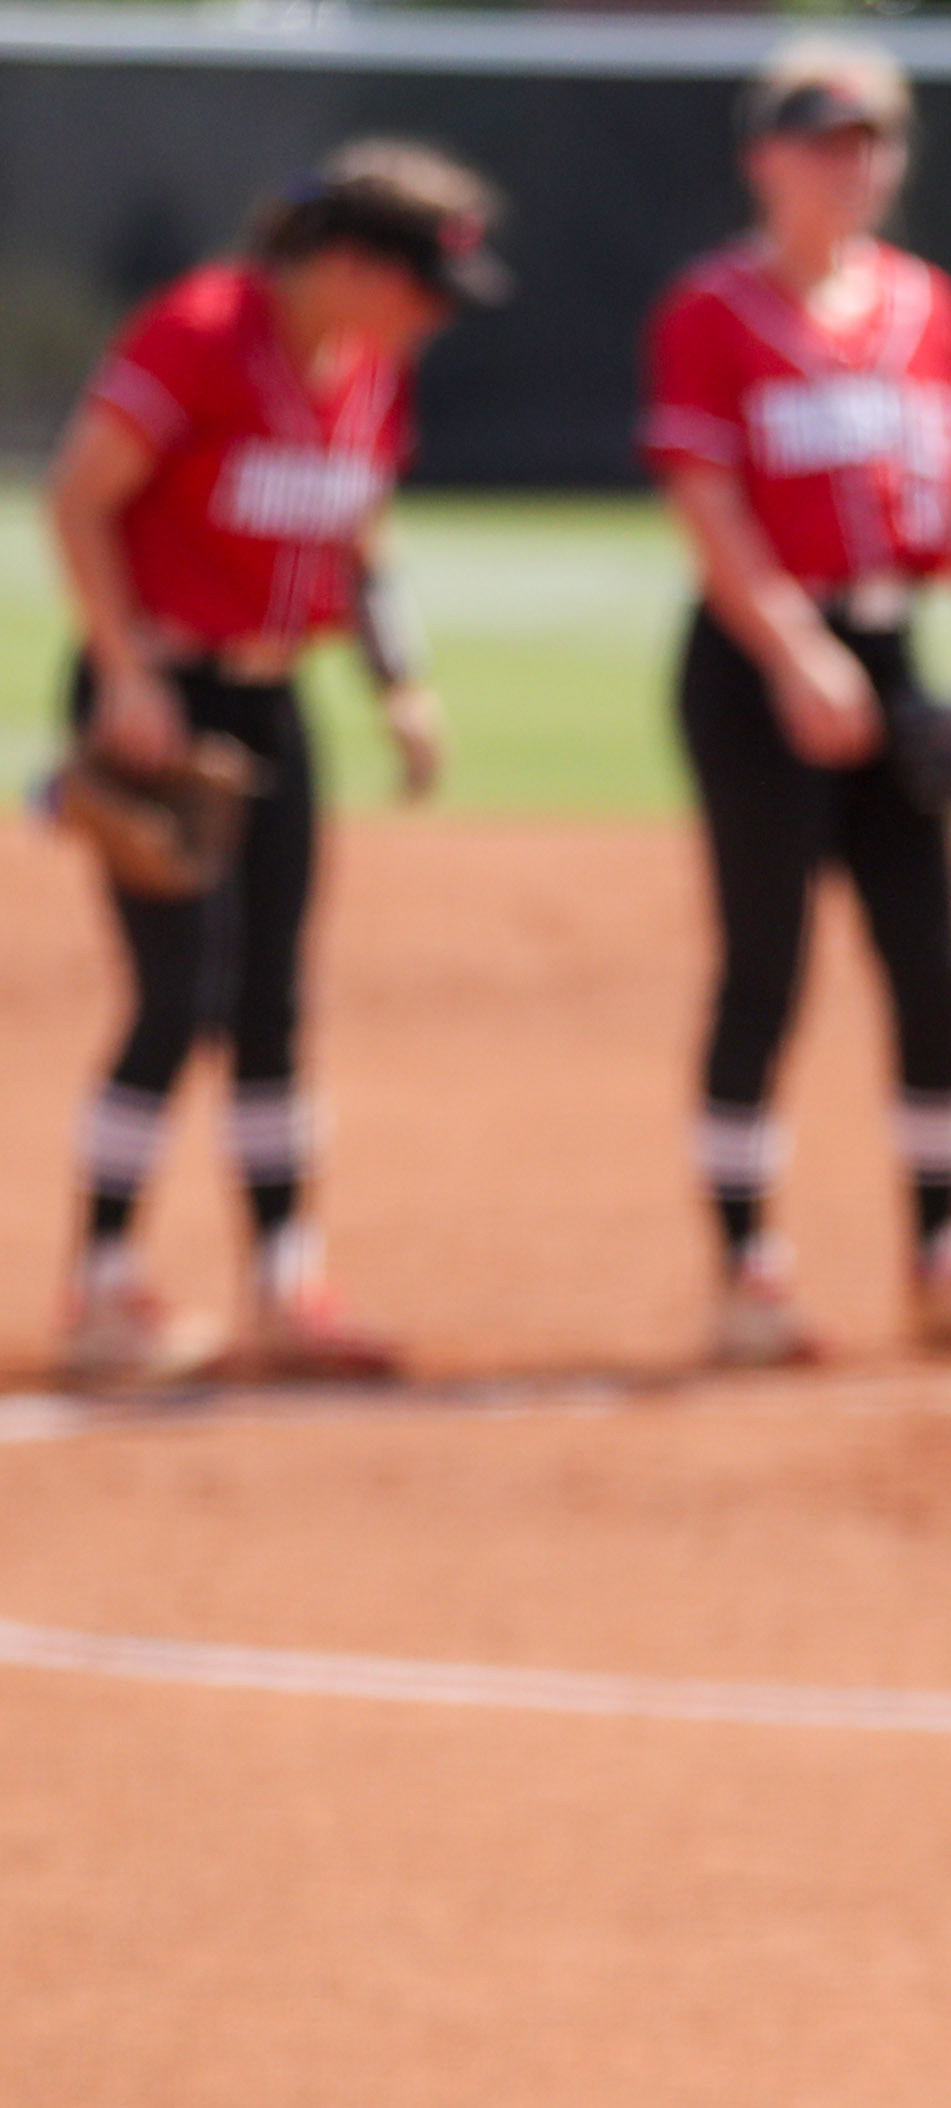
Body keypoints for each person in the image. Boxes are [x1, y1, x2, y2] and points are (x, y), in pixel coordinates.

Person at [642, 36, 951, 1367]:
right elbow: (707, 503)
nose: (855, 164)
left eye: (874, 139)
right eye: (825, 138)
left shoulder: (923, 306)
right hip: (754, 670)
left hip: (890, 662)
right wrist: (790, 652)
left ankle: (947, 1261)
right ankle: (746, 1273)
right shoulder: (712, 310)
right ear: (762, 159)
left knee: (935, 972)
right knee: (766, 965)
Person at [46, 139, 508, 1386]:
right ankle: (100, 1285)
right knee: (174, 992)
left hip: (271, 698)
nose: (432, 319)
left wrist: (398, 684)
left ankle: (286, 1278)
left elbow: (360, 540)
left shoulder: (367, 369)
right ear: (348, 263)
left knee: (272, 999)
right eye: (420, 287)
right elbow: (79, 495)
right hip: (157, 695)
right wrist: (126, 672)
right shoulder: (200, 330)